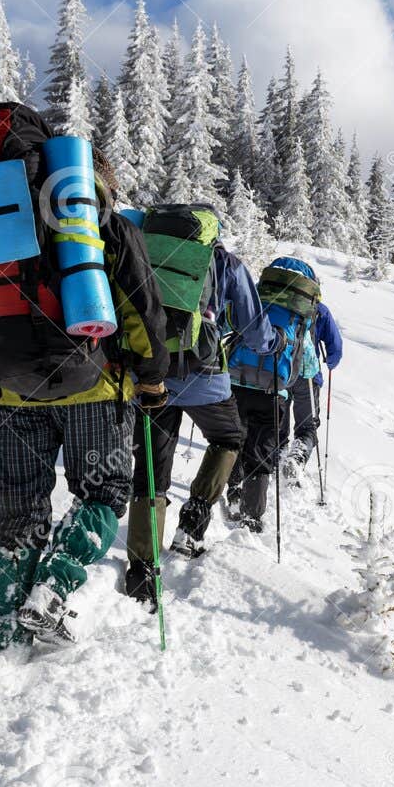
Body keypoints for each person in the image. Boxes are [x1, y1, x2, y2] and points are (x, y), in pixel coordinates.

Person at [0, 148, 167, 653]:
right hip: (94, 388)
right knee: (101, 494)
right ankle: (52, 588)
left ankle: (4, 627)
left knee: (19, 508)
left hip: (12, 391)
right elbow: (142, 309)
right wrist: (153, 377)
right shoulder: (103, 224)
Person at [125, 237, 275, 609]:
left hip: (149, 371)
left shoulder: (145, 244)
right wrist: (273, 344)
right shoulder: (225, 263)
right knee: (229, 437)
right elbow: (255, 331)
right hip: (203, 375)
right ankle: (192, 525)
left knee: (151, 465)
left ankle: (142, 567)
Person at [225, 257, 321, 533]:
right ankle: (251, 517)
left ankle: (234, 491)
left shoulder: (258, 301)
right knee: (261, 450)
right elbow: (308, 365)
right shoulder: (298, 318)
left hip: (236, 381)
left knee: (236, 439)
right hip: (273, 392)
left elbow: (231, 324)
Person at [285, 300, 342, 466]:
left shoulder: (279, 301)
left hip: (280, 372)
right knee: (307, 427)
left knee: (276, 424)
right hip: (307, 375)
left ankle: (277, 458)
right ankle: (297, 459)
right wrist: (330, 362)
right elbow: (336, 348)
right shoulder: (319, 310)